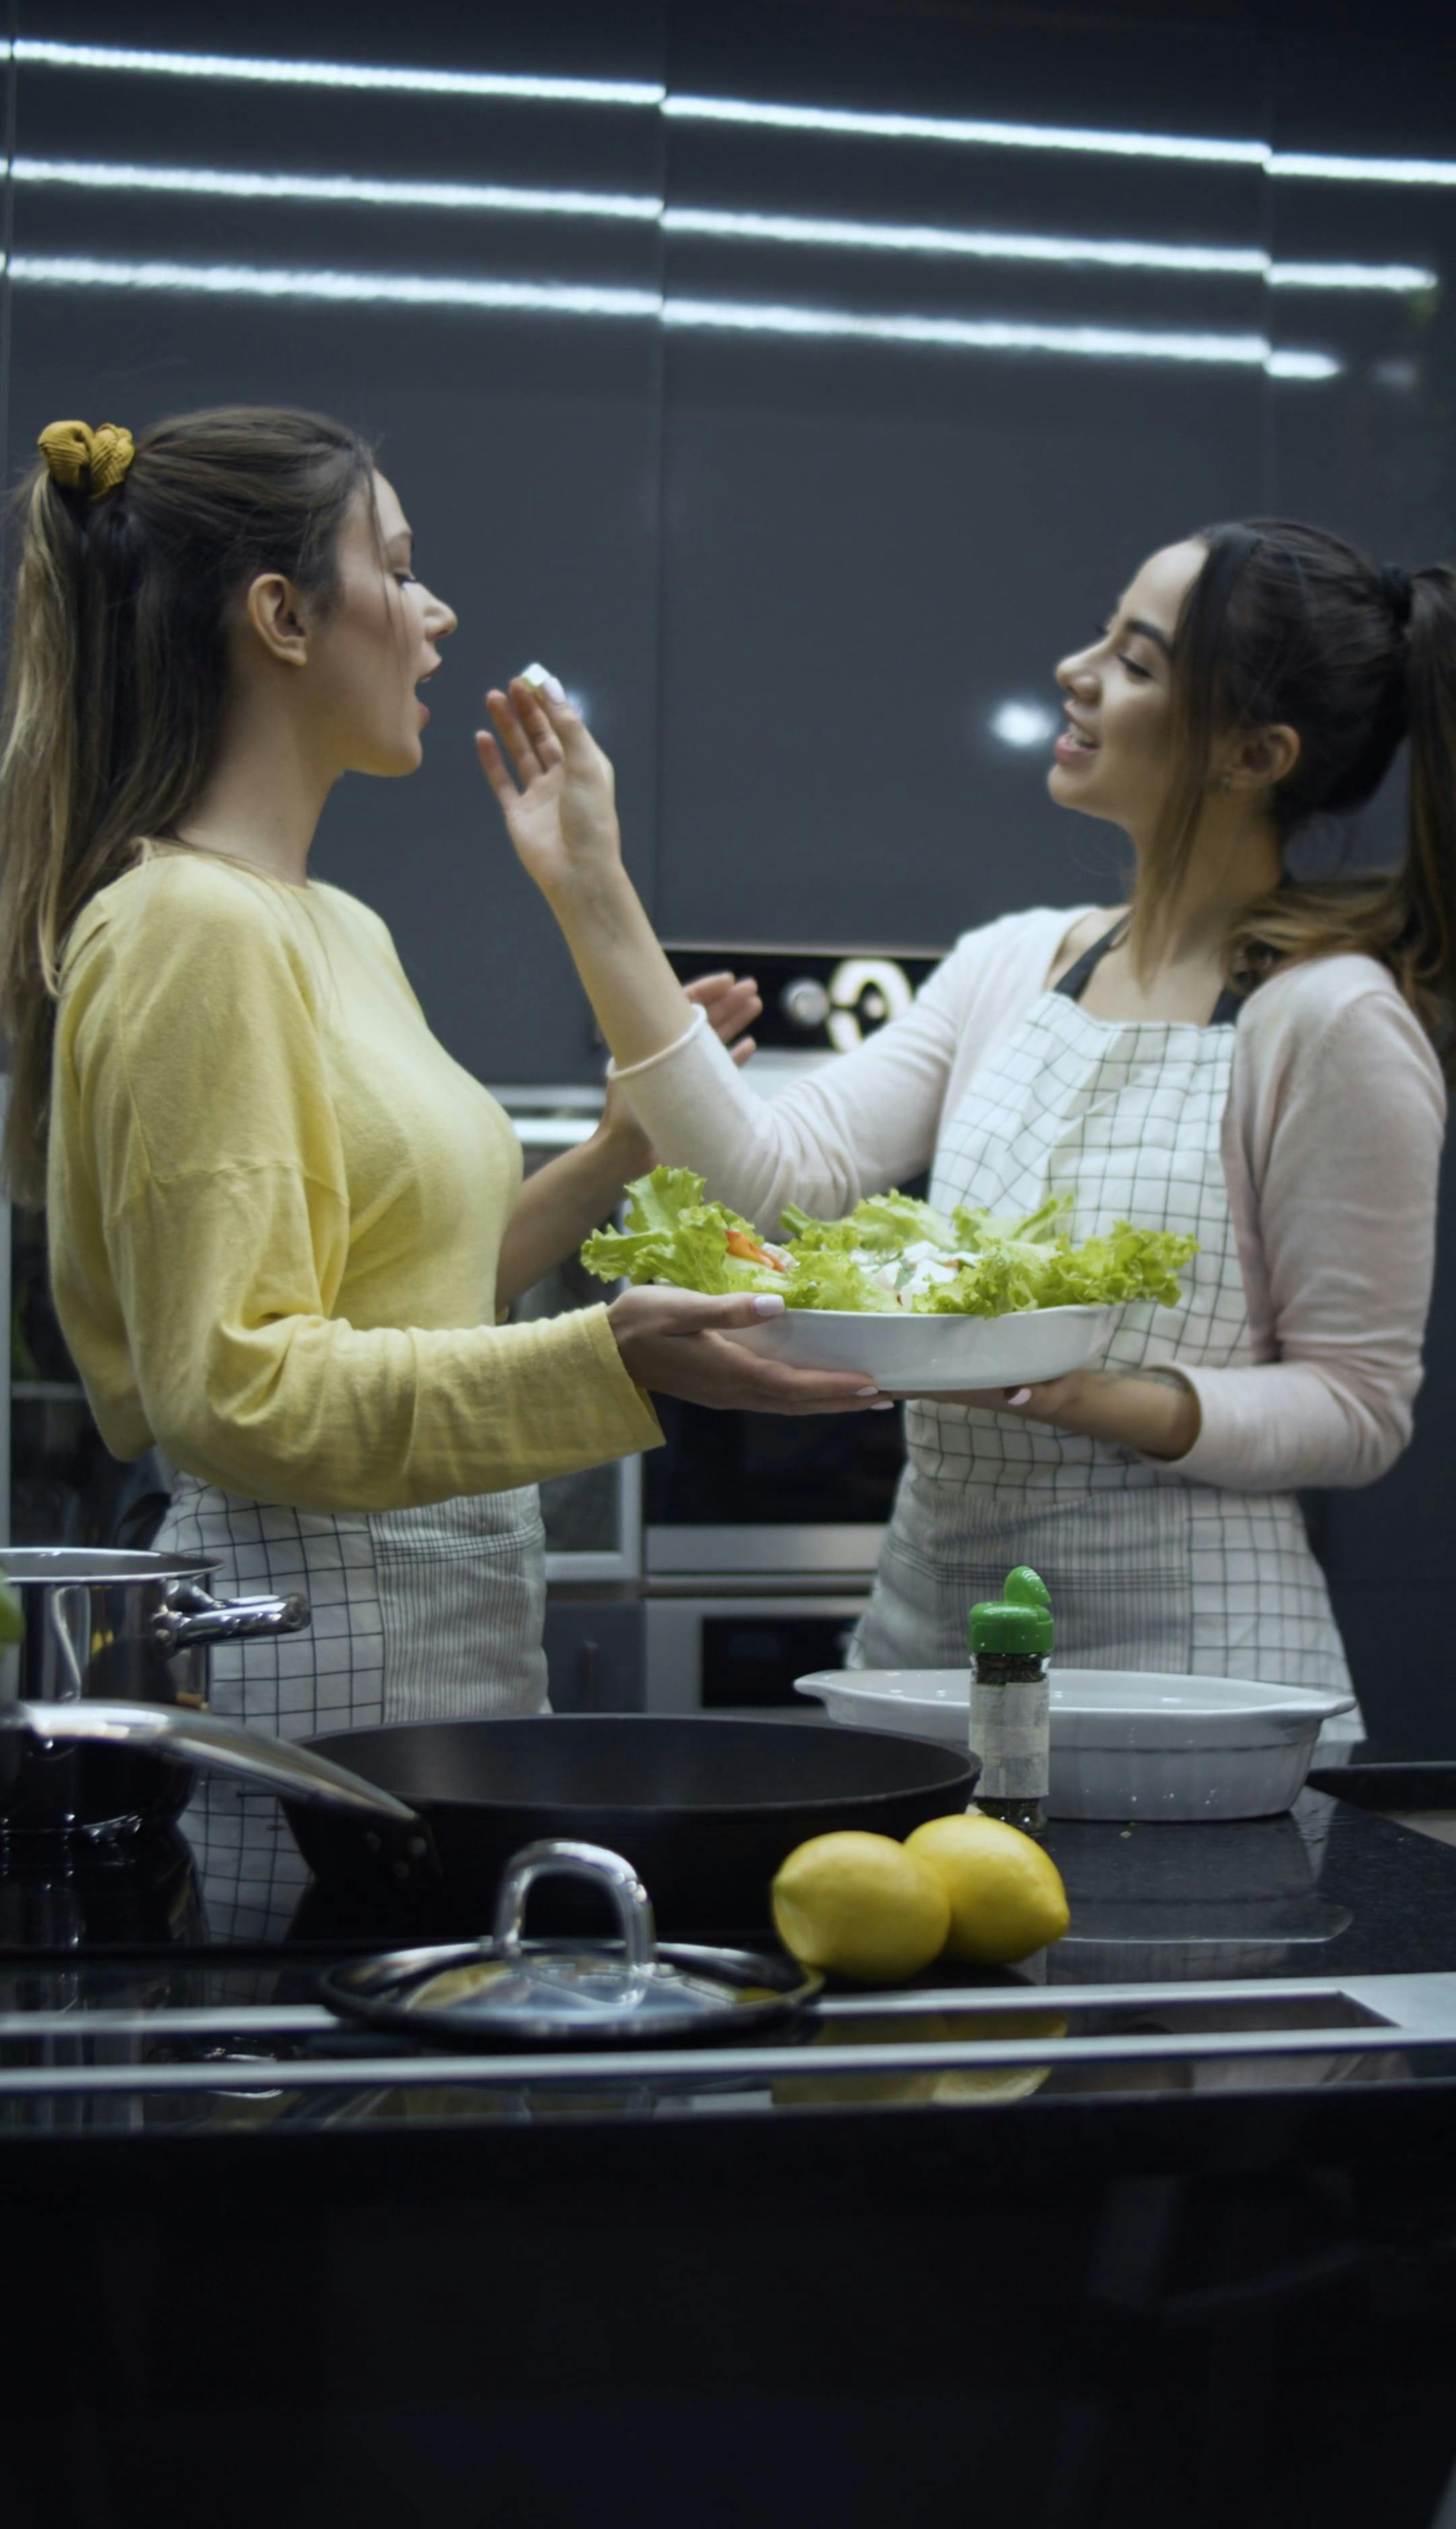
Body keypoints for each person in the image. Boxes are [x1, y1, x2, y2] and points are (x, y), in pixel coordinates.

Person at [0, 407, 883, 1931]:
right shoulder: (186, 929)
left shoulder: (336, 927)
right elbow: (236, 1386)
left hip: (437, 1620)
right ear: (280, 616)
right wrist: (613, 1358)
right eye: (397, 570)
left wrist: (615, 1153)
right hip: (311, 1629)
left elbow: (404, 1293)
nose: (435, 613)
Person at [478, 520, 1453, 1733]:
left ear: (1253, 754)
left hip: (1194, 1675)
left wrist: (1081, 1392)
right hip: (925, 1653)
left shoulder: (1331, 1021)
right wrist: (594, 895)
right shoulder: (1011, 963)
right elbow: (770, 1179)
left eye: (1139, 662)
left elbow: (1357, 1407)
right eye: (1103, 633)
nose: (1077, 670)